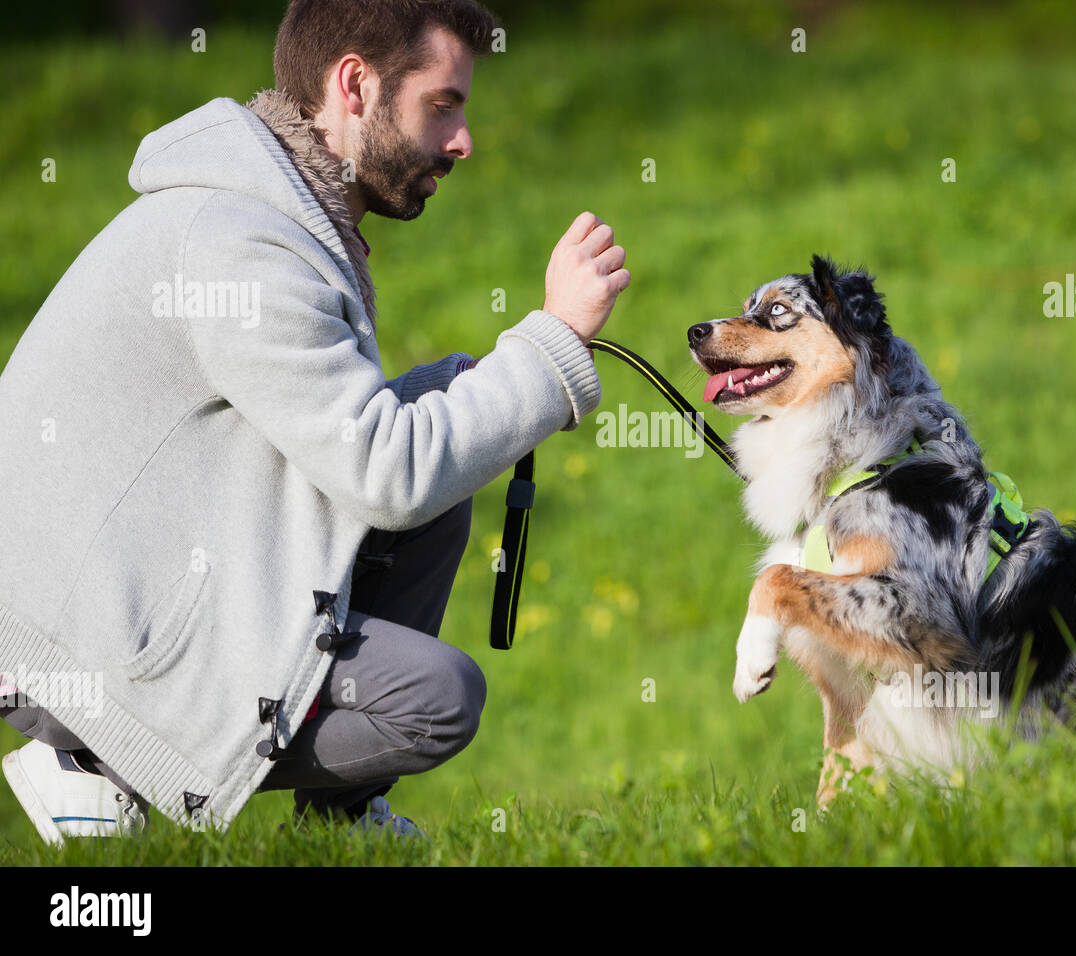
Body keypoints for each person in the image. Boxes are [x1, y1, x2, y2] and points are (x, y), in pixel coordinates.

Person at [0, 0, 629, 843]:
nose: (464, 140)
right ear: (356, 85)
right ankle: (95, 761)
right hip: (65, 647)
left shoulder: (274, 218)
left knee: (442, 465)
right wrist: (548, 346)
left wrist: (466, 396)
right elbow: (388, 474)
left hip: (140, 590)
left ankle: (336, 821)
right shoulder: (242, 244)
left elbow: (365, 457)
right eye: (443, 103)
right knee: (436, 702)